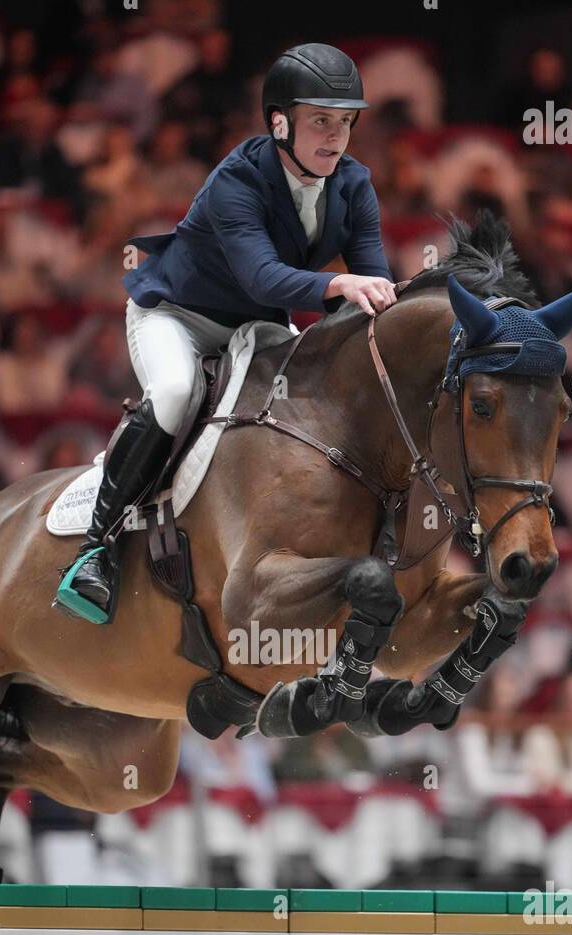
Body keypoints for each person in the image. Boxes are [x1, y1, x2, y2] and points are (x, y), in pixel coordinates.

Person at [54, 42, 396, 625]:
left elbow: (375, 276)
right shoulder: (235, 179)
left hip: (258, 329)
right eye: (320, 120)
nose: (336, 137)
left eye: (344, 122)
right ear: (279, 122)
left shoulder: (353, 185)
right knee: (176, 395)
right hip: (177, 317)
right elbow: (262, 277)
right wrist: (339, 288)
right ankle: (96, 550)